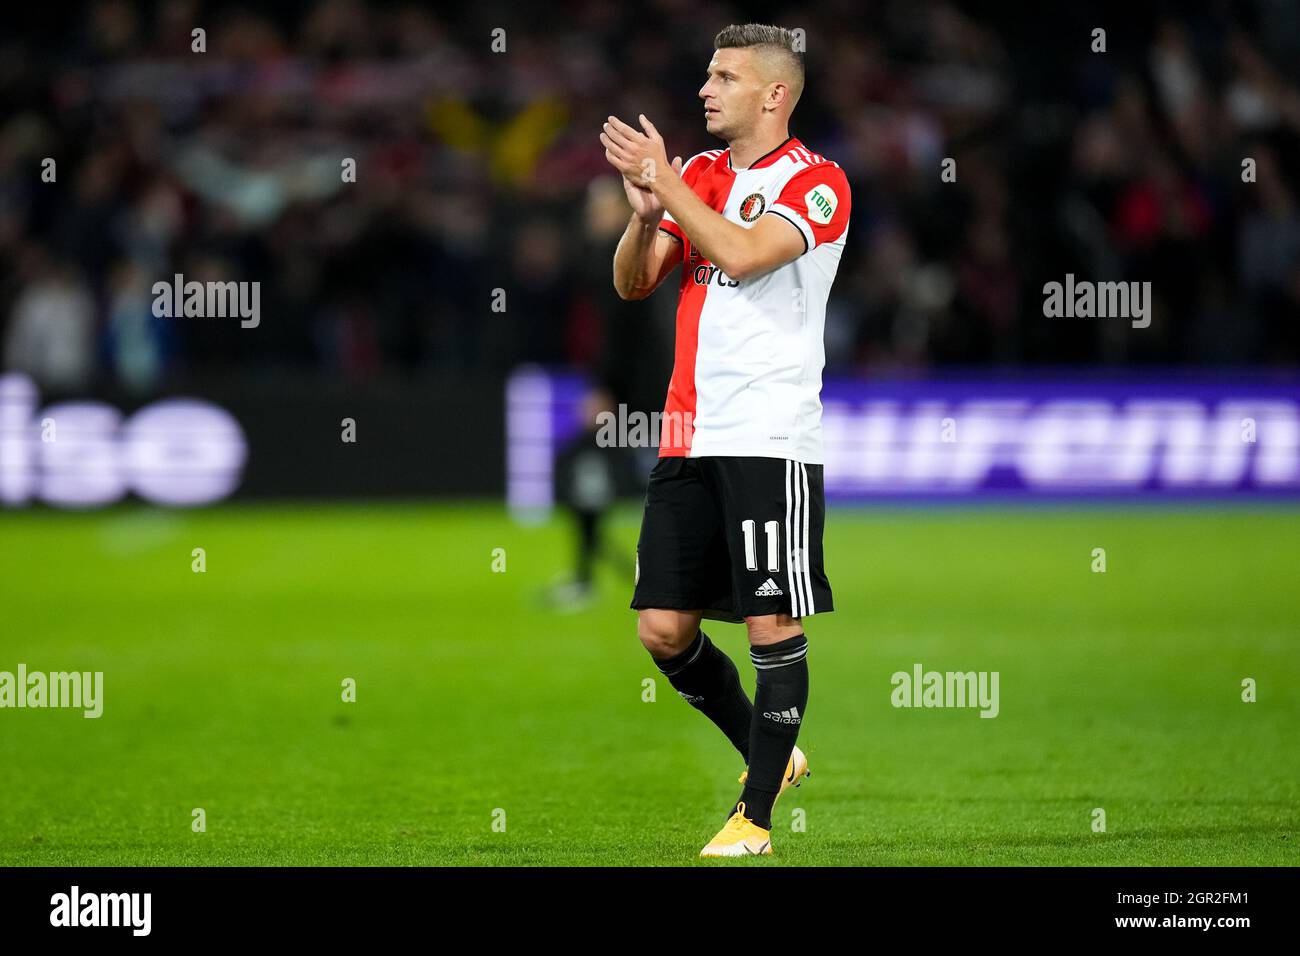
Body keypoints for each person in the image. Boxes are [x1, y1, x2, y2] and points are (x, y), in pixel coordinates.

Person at [600, 23, 852, 856]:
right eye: (707, 74)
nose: (705, 89)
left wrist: (667, 185)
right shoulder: (700, 176)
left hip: (767, 438)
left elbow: (742, 255)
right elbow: (635, 283)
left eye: (725, 76)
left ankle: (755, 820)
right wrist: (646, 215)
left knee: (769, 623)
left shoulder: (817, 184)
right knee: (662, 630)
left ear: (775, 94)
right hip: (687, 436)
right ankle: (769, 756)